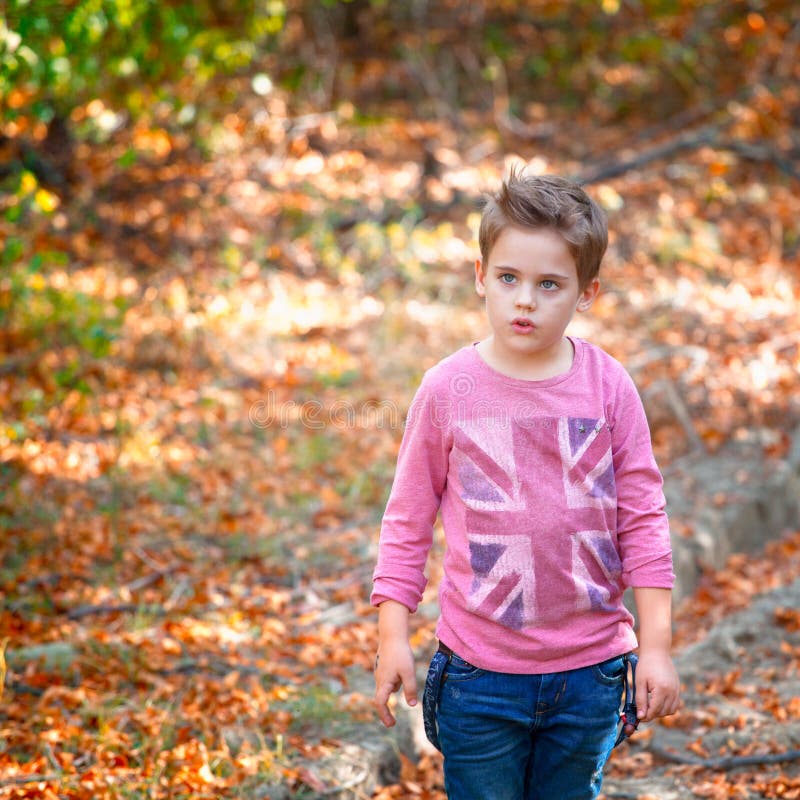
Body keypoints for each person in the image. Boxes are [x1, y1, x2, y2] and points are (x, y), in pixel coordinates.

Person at [371, 167, 681, 800]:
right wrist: (392, 638)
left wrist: (656, 647)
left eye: (550, 284)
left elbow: (644, 517)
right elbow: (407, 520)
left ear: (586, 292)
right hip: (479, 675)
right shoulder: (447, 390)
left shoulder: (608, 387)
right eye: (509, 278)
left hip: (590, 672)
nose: (525, 300)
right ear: (481, 276)